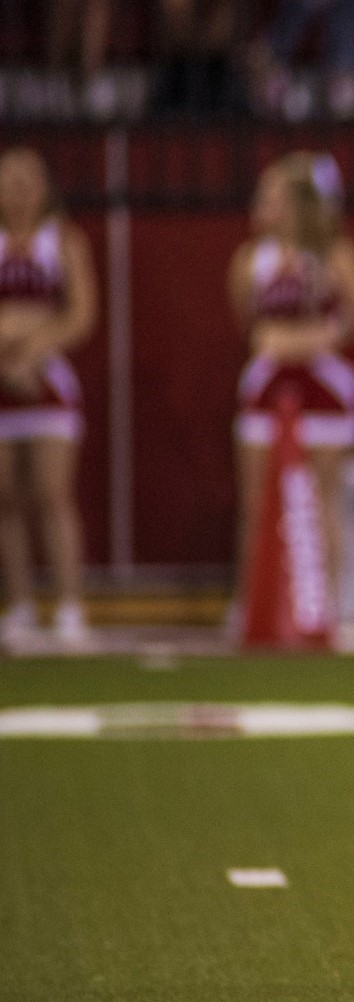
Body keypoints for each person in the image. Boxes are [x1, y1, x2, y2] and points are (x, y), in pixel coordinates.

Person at [229, 151, 354, 623]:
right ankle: (254, 605)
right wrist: (280, 343)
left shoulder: (339, 255)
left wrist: (312, 339)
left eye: (276, 196)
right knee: (258, 503)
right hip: (268, 388)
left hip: (326, 388)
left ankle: (322, 610)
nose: (265, 205)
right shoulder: (252, 259)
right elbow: (249, 328)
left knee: (321, 502)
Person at [0, 148, 98, 647]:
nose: (17, 189)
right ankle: (18, 605)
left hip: (47, 380)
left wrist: (33, 351)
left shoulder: (62, 240)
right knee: (4, 500)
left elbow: (81, 314)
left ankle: (69, 605)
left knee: (52, 494)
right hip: (2, 379)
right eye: (8, 178)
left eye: (28, 179)